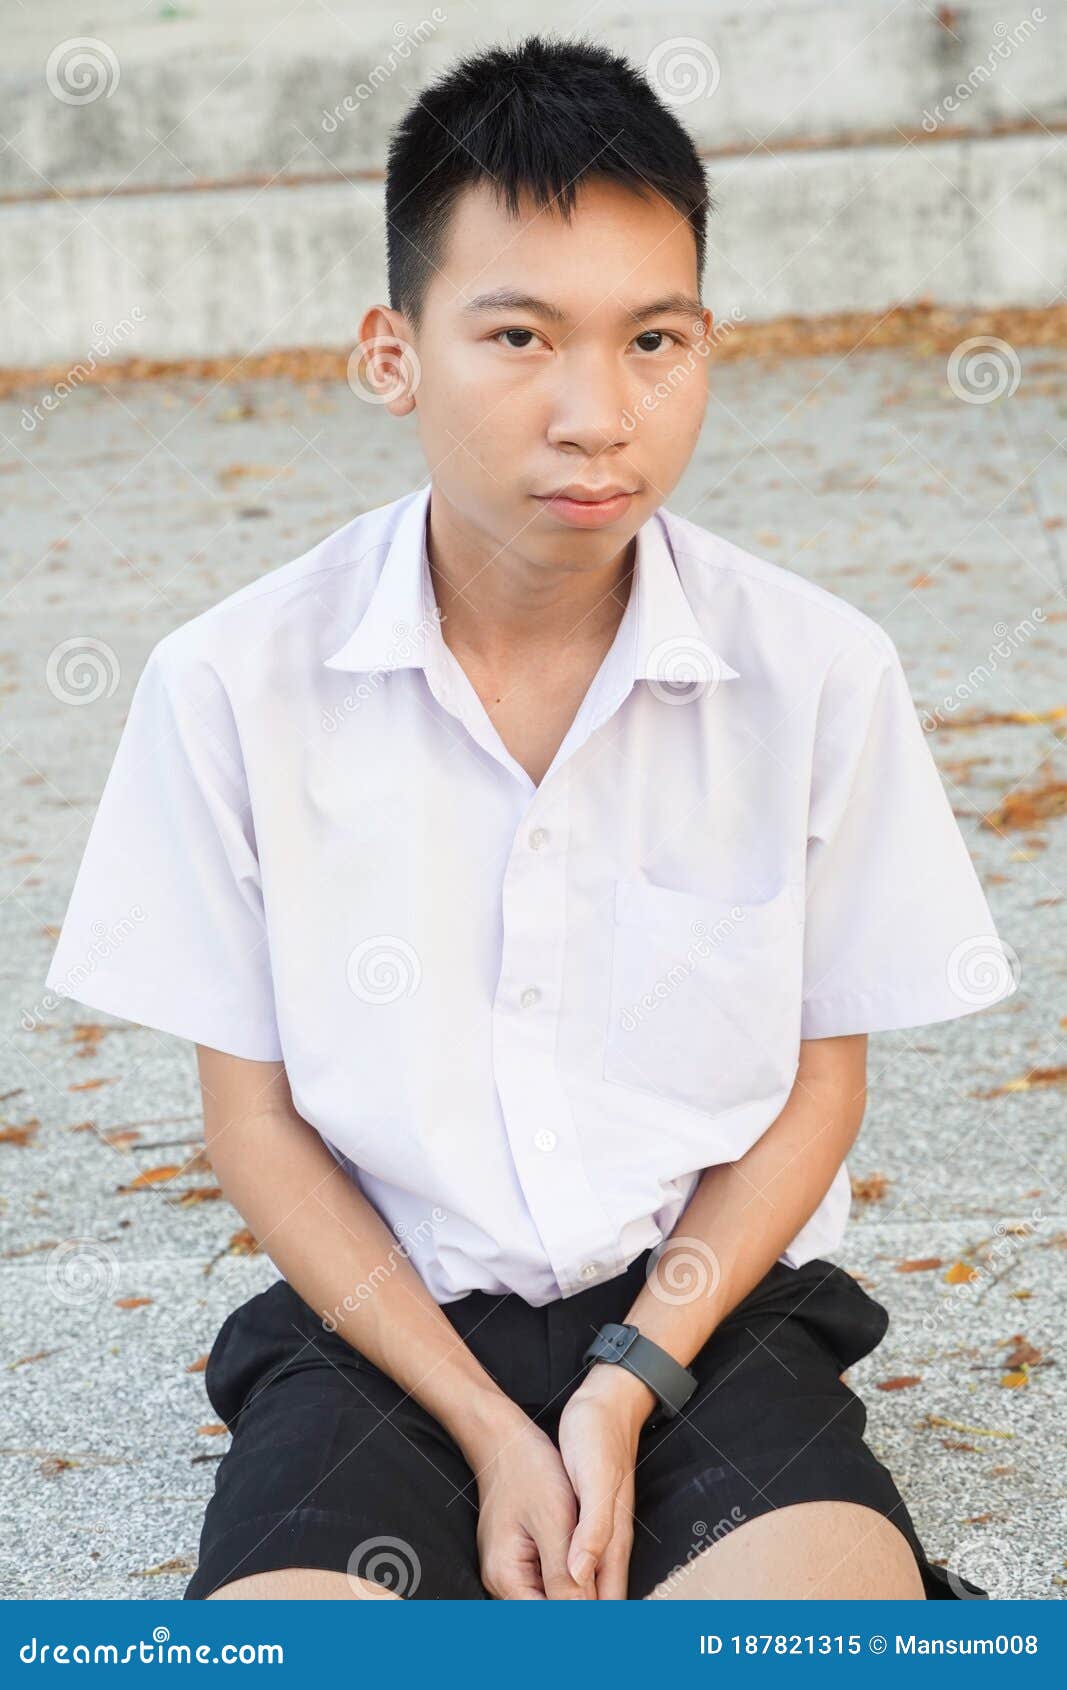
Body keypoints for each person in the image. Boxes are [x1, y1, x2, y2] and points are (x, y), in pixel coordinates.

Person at [45, 33, 1017, 1602]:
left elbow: (816, 1091)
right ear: (392, 352)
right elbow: (257, 1121)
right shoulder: (229, 682)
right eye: (519, 335)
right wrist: (493, 1426)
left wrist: (625, 1382)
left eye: (654, 339)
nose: (597, 412)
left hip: (710, 1314)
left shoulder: (818, 673)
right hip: (383, 1324)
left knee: (816, 1624)